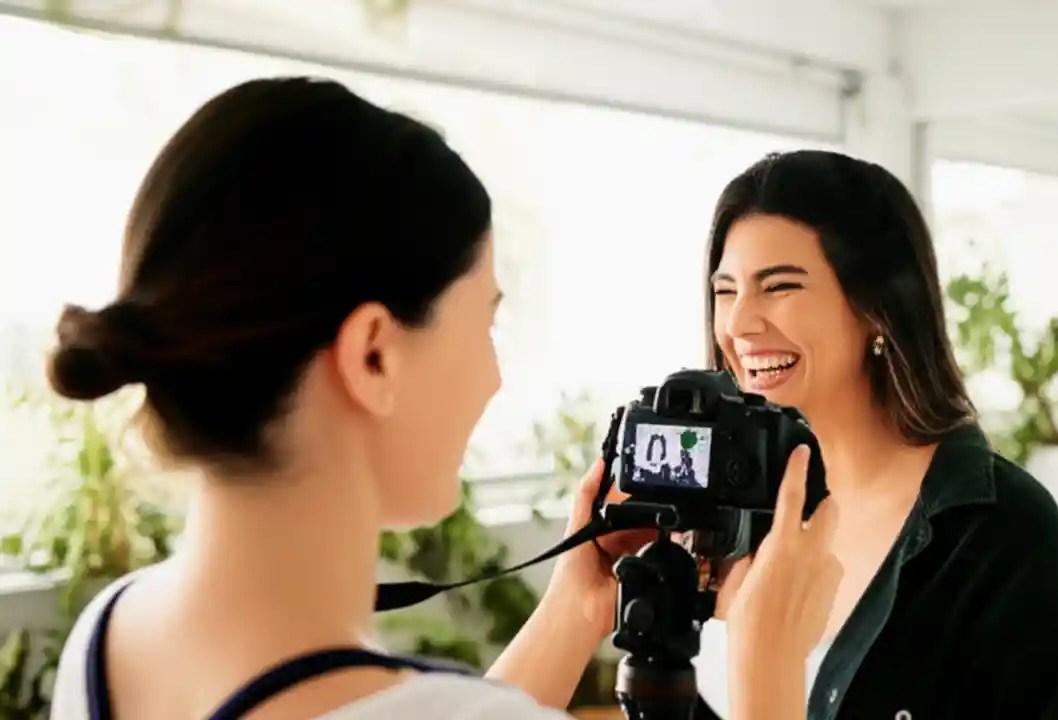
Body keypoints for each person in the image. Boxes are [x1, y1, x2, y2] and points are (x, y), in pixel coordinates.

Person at [45, 77, 841, 720]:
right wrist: (768, 666)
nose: (494, 377)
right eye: (483, 323)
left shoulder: (111, 634)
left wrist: (573, 609)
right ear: (375, 354)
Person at [693, 150, 1058, 719]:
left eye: (779, 287)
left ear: (877, 308)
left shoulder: (1001, 534)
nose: (740, 323)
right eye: (726, 291)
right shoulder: (723, 511)